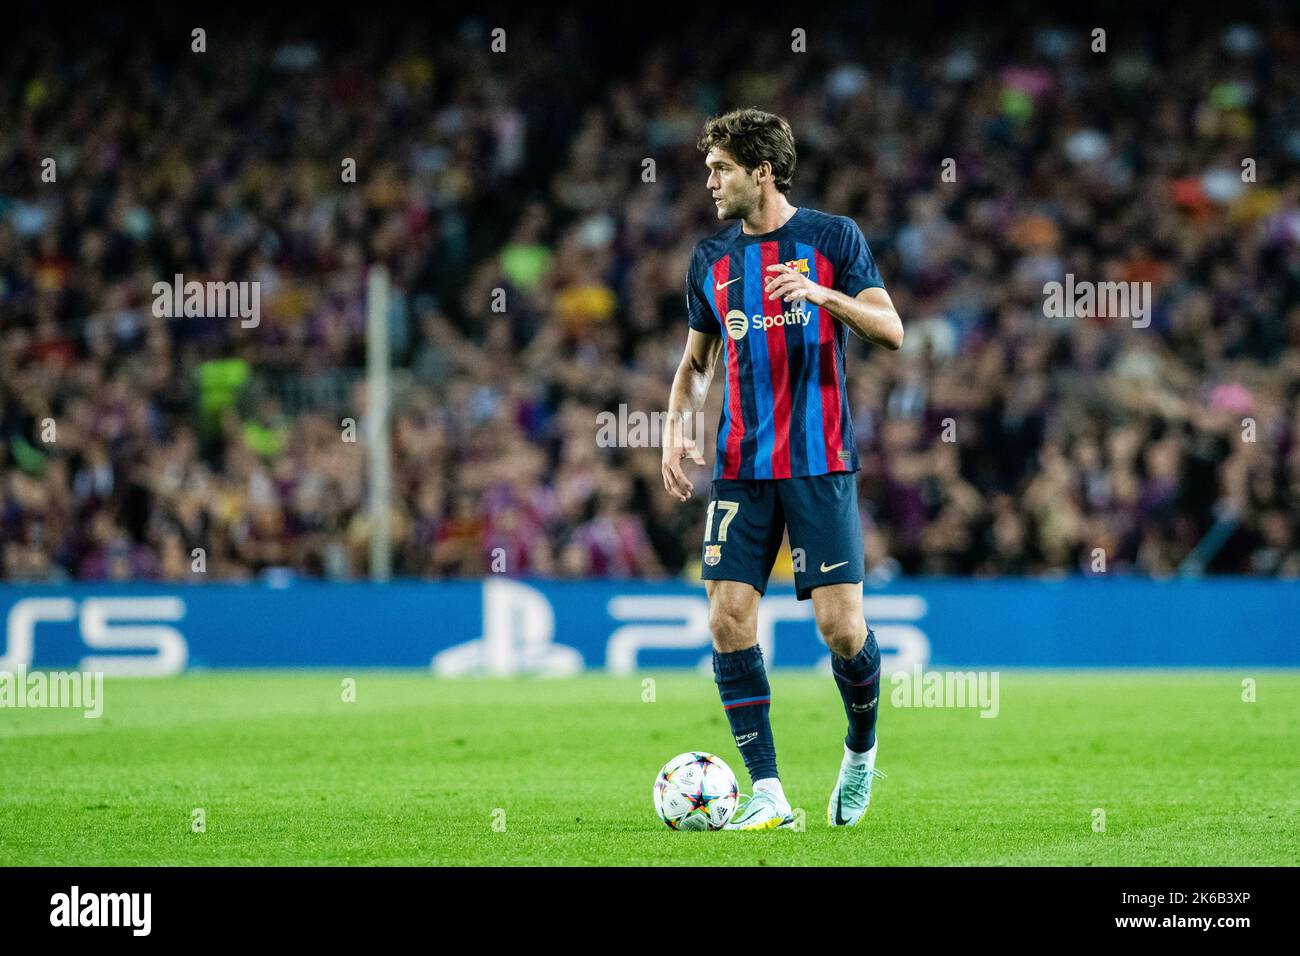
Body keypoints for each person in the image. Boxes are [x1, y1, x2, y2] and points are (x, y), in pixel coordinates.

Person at [661, 108, 904, 830]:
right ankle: (767, 791)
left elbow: (892, 331)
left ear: (761, 171)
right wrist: (676, 430)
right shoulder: (712, 259)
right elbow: (695, 364)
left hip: (818, 462)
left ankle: (860, 751)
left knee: (842, 630)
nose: (710, 181)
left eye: (721, 168)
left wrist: (824, 296)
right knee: (728, 618)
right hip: (740, 468)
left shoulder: (834, 239)